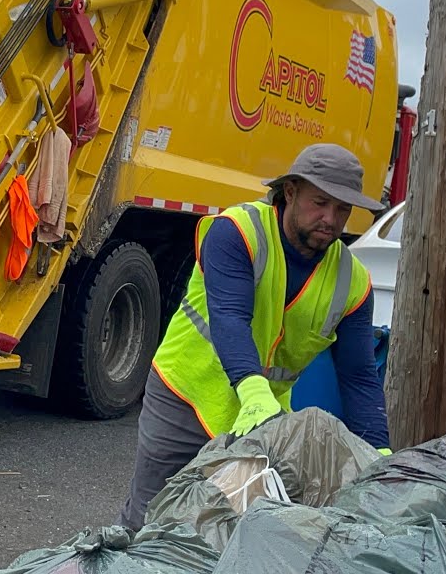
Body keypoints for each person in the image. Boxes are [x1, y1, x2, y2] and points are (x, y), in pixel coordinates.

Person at [117, 142, 391, 530]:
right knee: (149, 519)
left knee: (230, 533)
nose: (331, 218)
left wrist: (378, 453)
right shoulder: (238, 231)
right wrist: (253, 392)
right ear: (290, 191)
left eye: (343, 209)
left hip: (264, 421)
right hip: (188, 396)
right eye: (320, 203)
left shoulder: (353, 281)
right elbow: (230, 317)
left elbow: (359, 376)